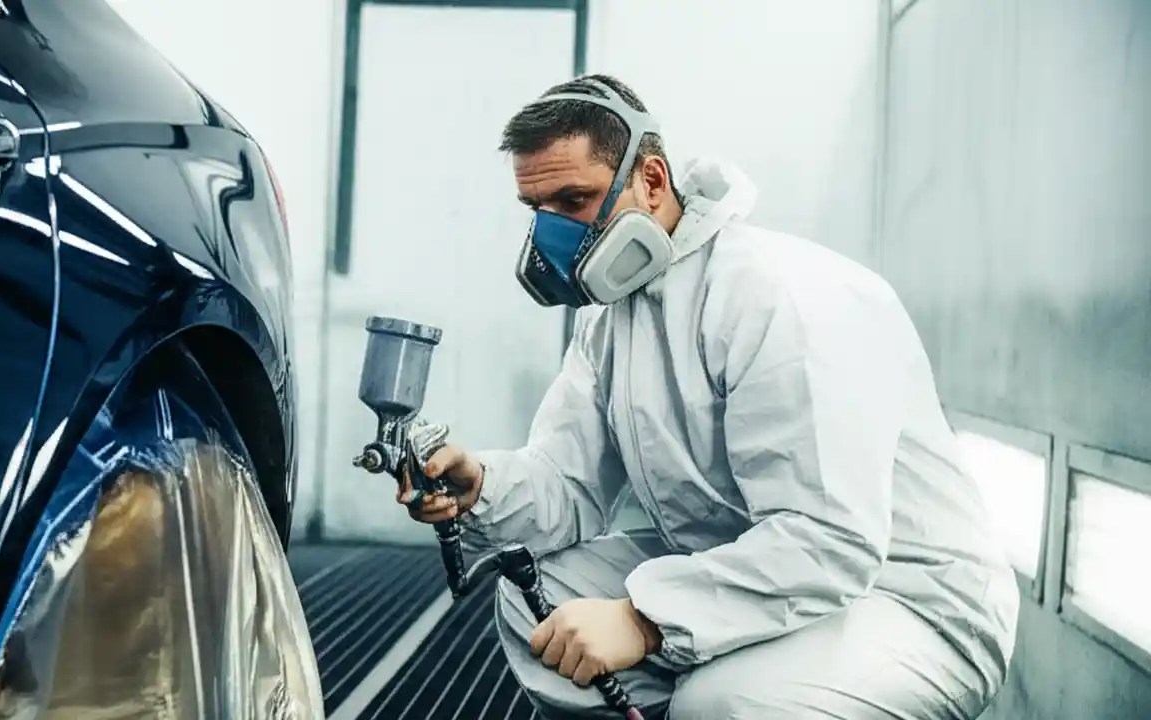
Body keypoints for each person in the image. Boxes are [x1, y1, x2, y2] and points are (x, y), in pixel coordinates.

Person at [397, 74, 1020, 719]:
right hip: (747, 573)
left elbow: (829, 538)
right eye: (539, 210)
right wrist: (480, 484)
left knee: (722, 705)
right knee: (541, 598)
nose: (554, 235)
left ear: (653, 181)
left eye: (575, 200)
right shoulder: (609, 318)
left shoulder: (778, 296)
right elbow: (569, 482)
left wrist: (645, 619)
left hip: (905, 601)